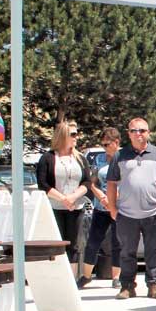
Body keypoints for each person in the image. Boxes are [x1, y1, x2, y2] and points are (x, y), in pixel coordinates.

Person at [107, 117, 156, 300]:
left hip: (153, 213)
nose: (139, 134)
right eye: (134, 131)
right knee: (127, 252)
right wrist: (112, 208)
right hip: (126, 214)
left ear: (149, 133)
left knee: (154, 250)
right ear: (128, 134)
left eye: (142, 130)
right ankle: (127, 286)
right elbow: (112, 184)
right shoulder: (119, 156)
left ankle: (154, 285)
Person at [35, 121, 91, 265]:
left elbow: (87, 182)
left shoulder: (80, 158)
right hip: (54, 208)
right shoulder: (48, 158)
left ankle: (72, 282)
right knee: (57, 244)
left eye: (77, 134)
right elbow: (43, 184)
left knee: (74, 245)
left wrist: (73, 197)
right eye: (73, 134)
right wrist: (63, 199)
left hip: (76, 207)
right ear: (63, 135)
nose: (76, 137)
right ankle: (57, 278)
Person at [78, 127, 123, 289]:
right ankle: (86, 275)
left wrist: (115, 199)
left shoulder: (124, 159)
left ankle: (116, 277)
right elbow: (92, 182)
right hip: (101, 207)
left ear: (116, 143)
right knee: (93, 241)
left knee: (117, 243)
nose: (104, 147)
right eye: (102, 144)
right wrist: (101, 197)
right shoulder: (100, 160)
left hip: (119, 207)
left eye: (106, 144)